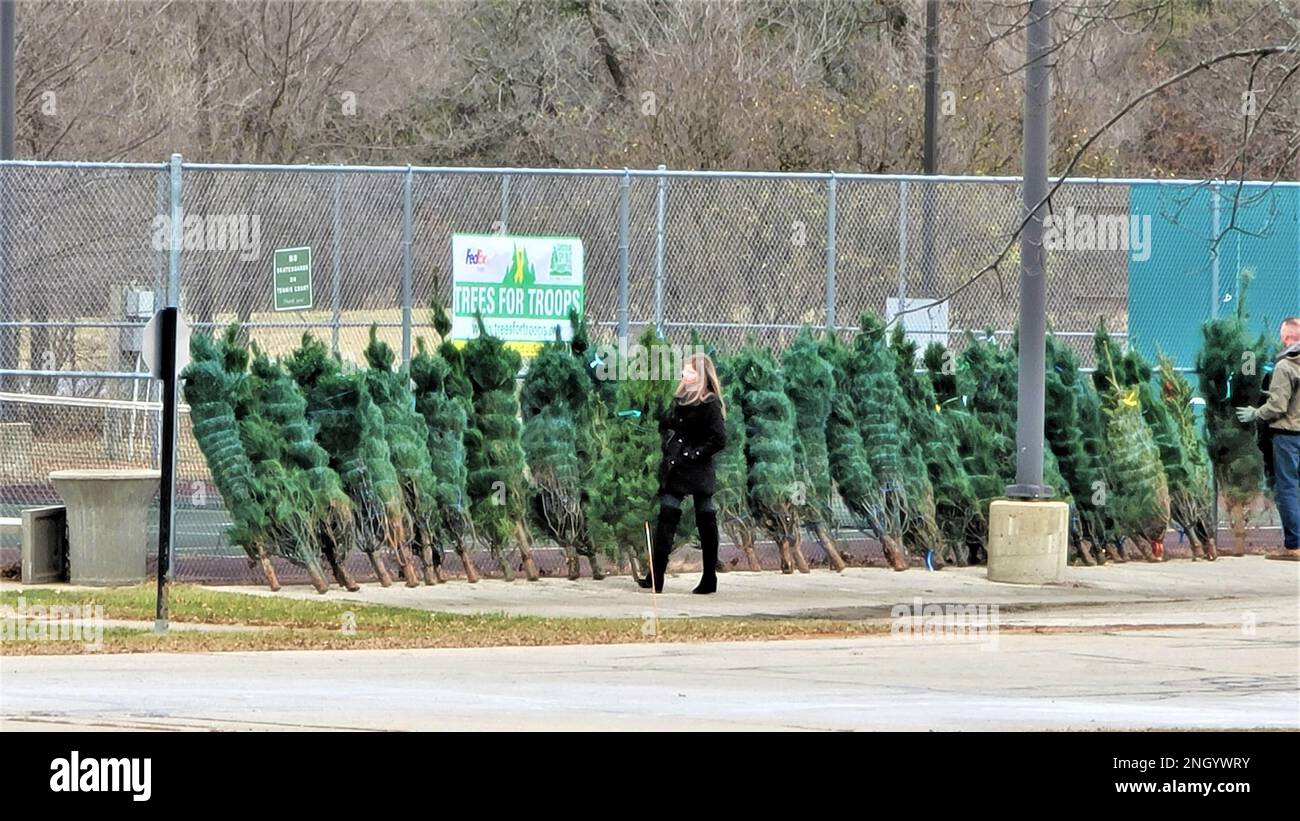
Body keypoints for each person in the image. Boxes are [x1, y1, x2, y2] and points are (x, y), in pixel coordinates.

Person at [639, 352, 728, 593]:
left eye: (689, 371)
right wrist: (649, 414)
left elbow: (719, 439)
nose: (683, 374)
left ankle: (710, 578)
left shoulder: (710, 404)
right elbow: (669, 424)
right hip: (677, 469)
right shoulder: (681, 399)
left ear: (700, 375)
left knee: (706, 520)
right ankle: (656, 576)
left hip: (698, 469)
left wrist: (695, 454)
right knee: (666, 519)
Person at [1237, 316, 1300, 560]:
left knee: (1288, 489)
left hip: (1287, 436)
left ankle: (1294, 545)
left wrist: (1256, 412)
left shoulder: (1286, 366)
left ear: (1286, 338)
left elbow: (1277, 406)